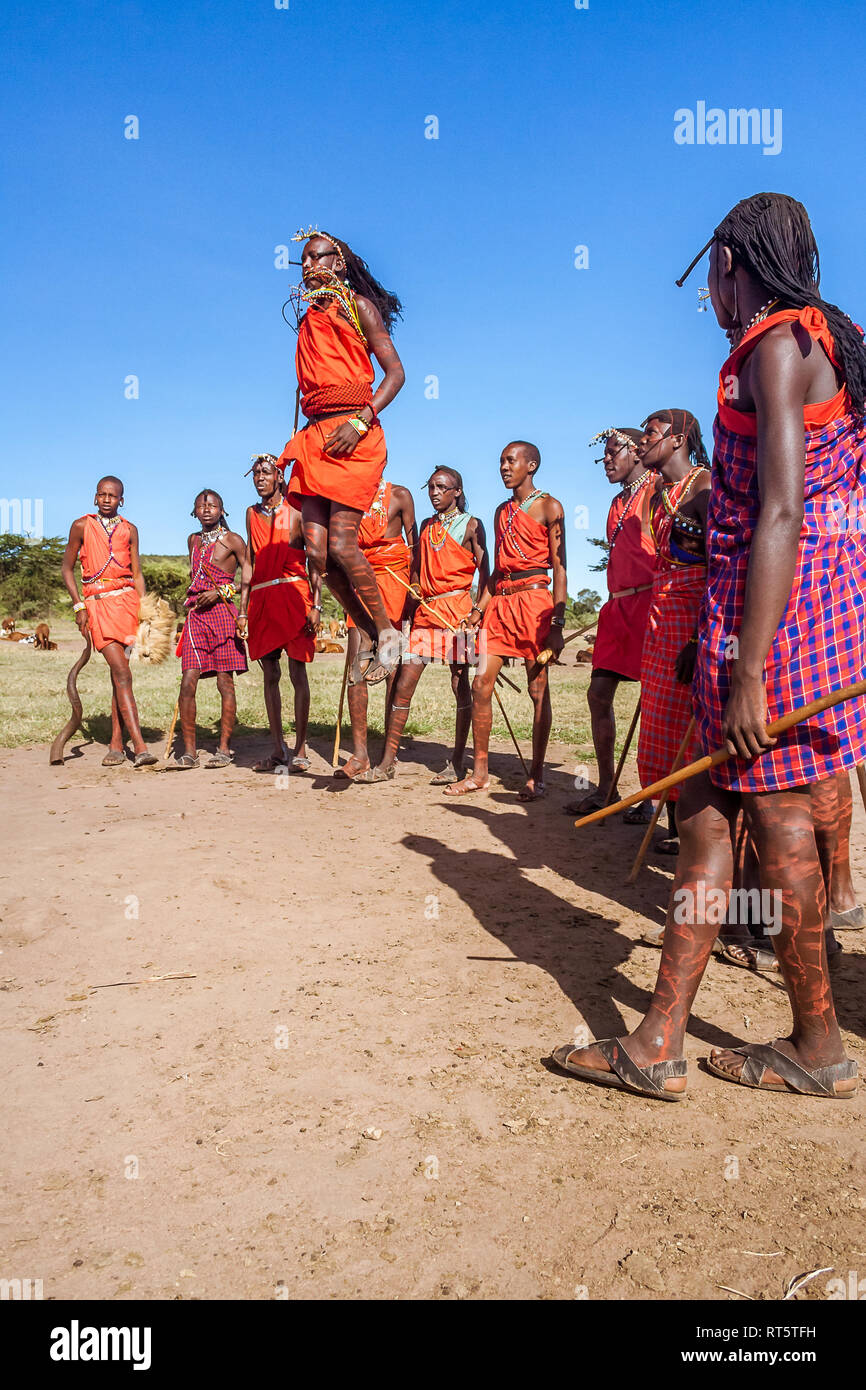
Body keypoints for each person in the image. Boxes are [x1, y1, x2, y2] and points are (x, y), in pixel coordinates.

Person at [555, 192, 866, 1100]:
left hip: (777, 626)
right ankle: (673, 1041)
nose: (711, 299)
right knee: (721, 815)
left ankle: (809, 1045)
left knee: (766, 821)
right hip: (788, 614)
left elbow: (779, 510)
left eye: (710, 278)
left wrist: (753, 673)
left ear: (733, 263)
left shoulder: (778, 346)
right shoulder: (827, 342)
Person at [278, 229, 405, 682]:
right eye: (304, 259)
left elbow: (396, 374)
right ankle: (369, 631)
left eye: (318, 257)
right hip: (317, 438)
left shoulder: (359, 308)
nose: (309, 265)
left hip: (355, 432)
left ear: (340, 262)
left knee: (342, 544)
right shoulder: (310, 316)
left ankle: (388, 633)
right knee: (316, 553)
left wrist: (361, 420)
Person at [448, 442, 566, 801]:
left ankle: (537, 774)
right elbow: (498, 568)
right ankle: (480, 773)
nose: (503, 467)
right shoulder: (502, 511)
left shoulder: (550, 506)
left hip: (535, 602)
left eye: (510, 461)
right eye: (500, 461)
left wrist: (557, 624)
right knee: (482, 685)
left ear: (531, 465)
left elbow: (560, 568)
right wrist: (477, 610)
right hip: (500, 603)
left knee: (537, 690)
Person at [363, 468, 488, 784]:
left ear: (456, 491)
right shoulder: (426, 528)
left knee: (460, 685)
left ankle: (458, 762)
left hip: (458, 612)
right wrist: (414, 590)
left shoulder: (472, 525)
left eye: (441, 487)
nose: (434, 492)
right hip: (427, 612)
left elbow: (487, 575)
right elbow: (416, 569)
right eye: (431, 487)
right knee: (405, 682)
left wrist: (477, 613)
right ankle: (388, 761)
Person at [565, 428, 656, 817]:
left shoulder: (657, 490)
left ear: (637, 452)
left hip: (652, 607)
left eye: (612, 452)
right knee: (598, 694)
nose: (606, 461)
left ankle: (659, 799)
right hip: (618, 610)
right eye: (602, 455)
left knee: (656, 705)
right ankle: (607, 789)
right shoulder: (617, 502)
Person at [635, 410, 711, 851]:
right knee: (661, 719)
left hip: (692, 619)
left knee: (692, 723)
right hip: (660, 617)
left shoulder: (705, 488)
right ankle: (679, 830)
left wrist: (699, 638)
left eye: (650, 433)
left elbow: (722, 570)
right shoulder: (660, 493)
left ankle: (700, 833)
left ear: (679, 439)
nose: (642, 441)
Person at [60, 476, 157, 768]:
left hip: (128, 604)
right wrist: (79, 605)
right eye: (102, 494)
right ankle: (139, 747)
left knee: (121, 675)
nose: (106, 499)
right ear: (94, 497)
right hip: (97, 605)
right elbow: (66, 568)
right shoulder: (81, 526)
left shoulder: (130, 530)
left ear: (121, 500)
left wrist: (145, 612)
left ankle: (116, 744)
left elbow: (137, 574)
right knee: (121, 672)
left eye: (112, 496)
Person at [237, 454, 321, 772]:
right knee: (270, 674)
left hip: (294, 594)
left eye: (266, 472)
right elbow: (250, 563)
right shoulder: (250, 514)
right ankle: (277, 749)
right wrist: (242, 611)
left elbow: (315, 562)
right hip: (262, 599)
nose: (259, 477)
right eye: (256, 473)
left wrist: (316, 604)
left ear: (279, 477)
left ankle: (299, 749)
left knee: (298, 672)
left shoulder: (296, 514)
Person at [336, 477, 417, 781]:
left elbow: (415, 544)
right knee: (357, 669)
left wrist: (415, 587)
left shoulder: (400, 494)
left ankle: (389, 756)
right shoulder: (347, 497)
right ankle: (359, 755)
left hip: (394, 580)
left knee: (390, 669)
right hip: (361, 580)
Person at [170, 490, 250, 770]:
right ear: (194, 512)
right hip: (196, 617)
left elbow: (250, 577)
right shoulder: (192, 541)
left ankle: (224, 749)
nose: (207, 509)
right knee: (187, 681)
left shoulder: (234, 540)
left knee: (224, 683)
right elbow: (195, 578)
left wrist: (229, 600)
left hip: (224, 615)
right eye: (201, 506)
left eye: (212, 505)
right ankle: (190, 751)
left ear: (222, 511)